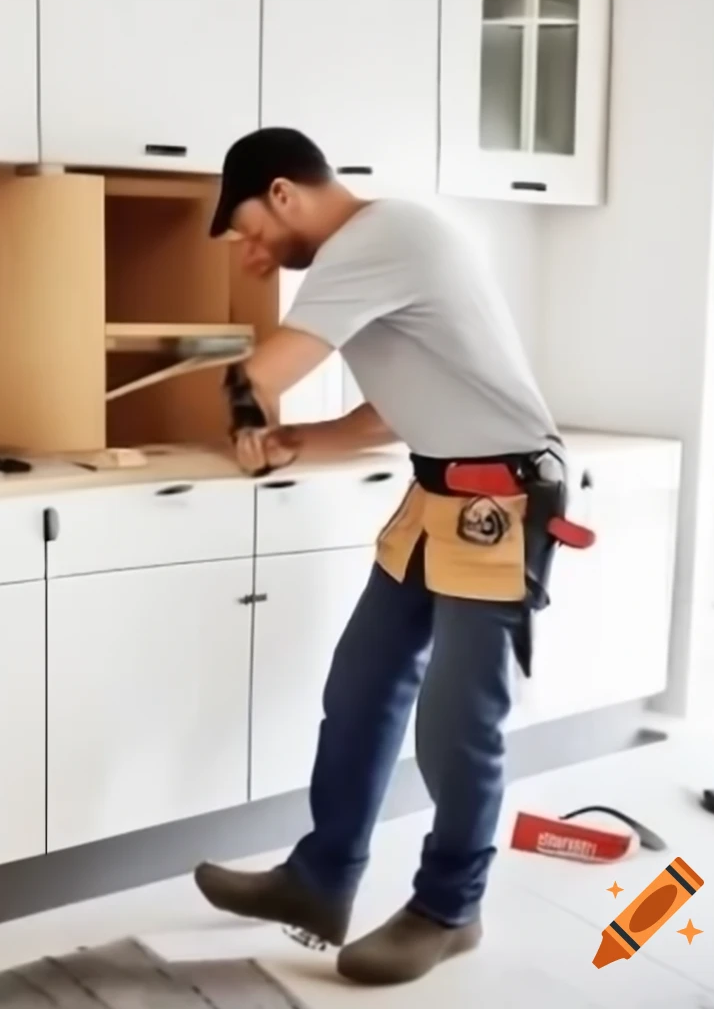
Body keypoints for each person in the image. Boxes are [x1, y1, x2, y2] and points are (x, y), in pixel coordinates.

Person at [196, 127, 584, 987]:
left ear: (287, 193)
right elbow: (389, 410)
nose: (255, 251)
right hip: (439, 491)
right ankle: (320, 880)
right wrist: (294, 439)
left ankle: (451, 909)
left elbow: (253, 378)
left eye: (252, 229)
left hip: (502, 500)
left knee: (456, 721)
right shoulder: (373, 253)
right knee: (362, 685)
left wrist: (250, 410)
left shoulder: (379, 236)